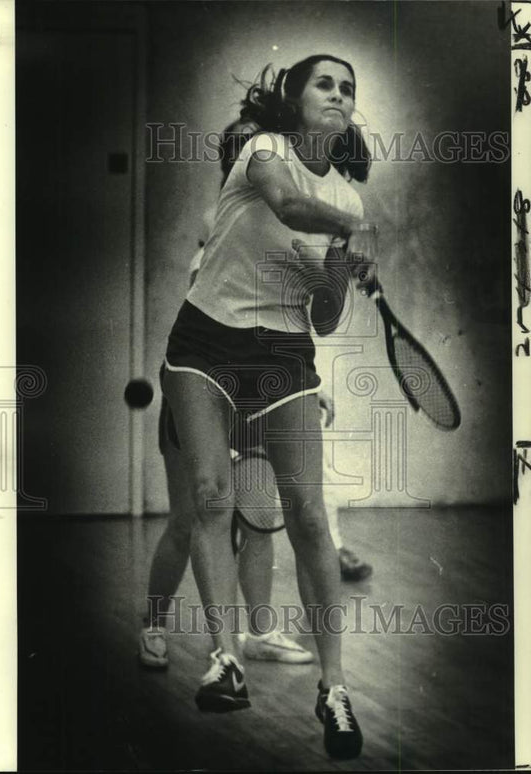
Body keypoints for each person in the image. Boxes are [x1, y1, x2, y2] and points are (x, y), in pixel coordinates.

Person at [161, 55, 373, 759]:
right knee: (210, 496)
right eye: (325, 83)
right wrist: (350, 232)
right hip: (206, 339)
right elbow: (287, 205)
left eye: (348, 89)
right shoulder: (264, 149)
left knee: (309, 515)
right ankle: (227, 659)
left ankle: (334, 689)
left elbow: (325, 314)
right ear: (295, 97)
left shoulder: (348, 198)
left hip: (283, 354)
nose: (338, 96)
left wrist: (341, 267)